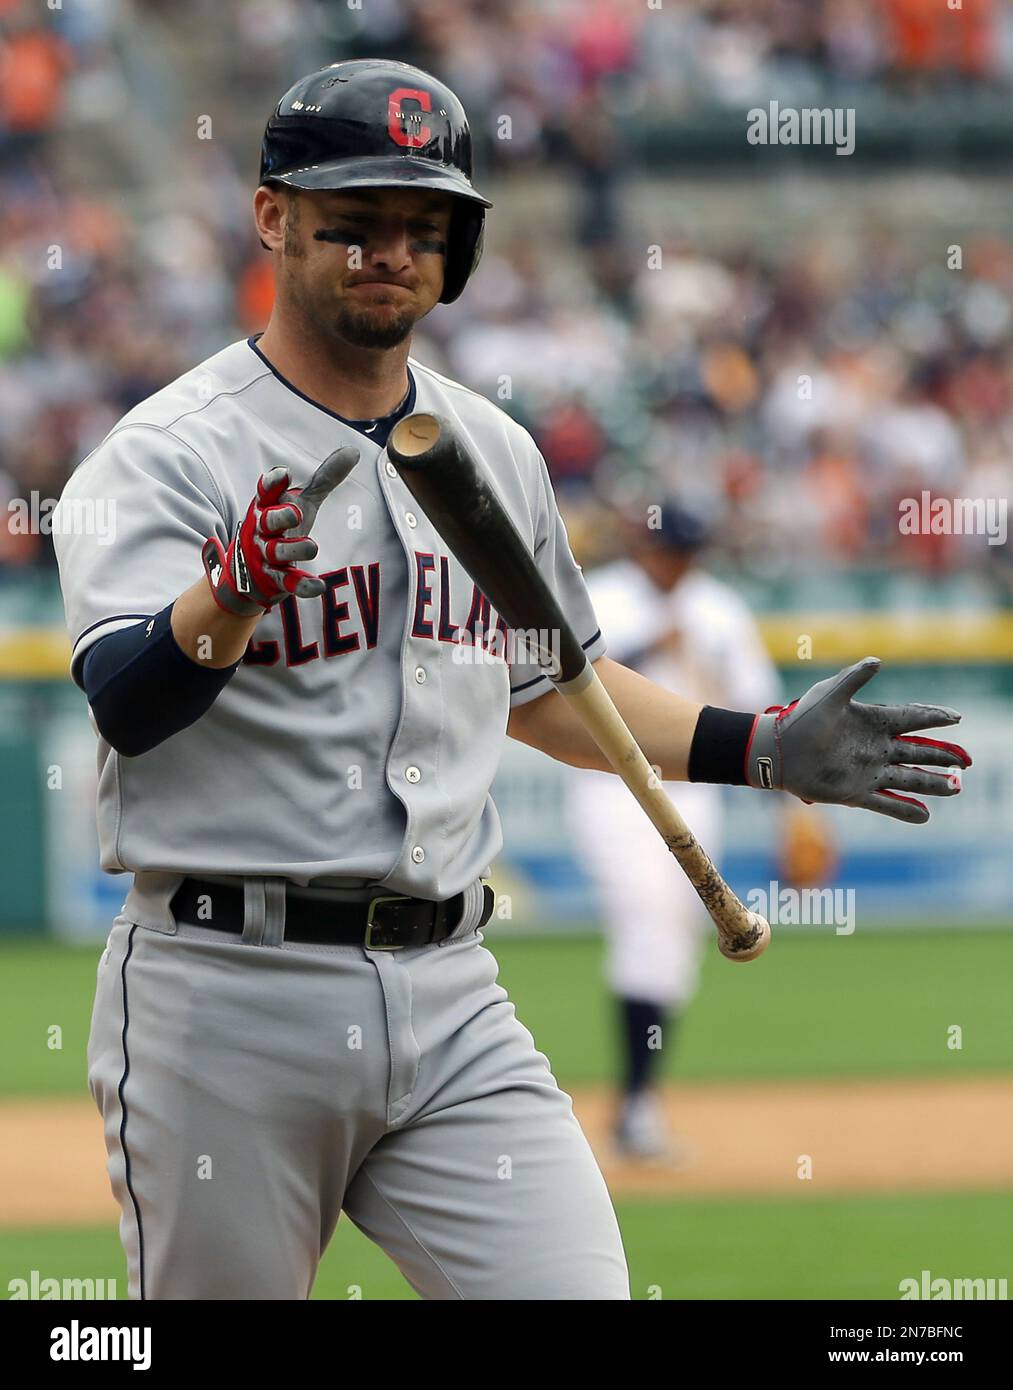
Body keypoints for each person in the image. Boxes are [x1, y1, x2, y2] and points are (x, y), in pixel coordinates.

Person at [53, 59, 970, 1301]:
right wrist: (231, 592)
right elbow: (128, 698)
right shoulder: (166, 452)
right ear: (272, 217)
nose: (392, 253)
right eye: (356, 223)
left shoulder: (490, 449)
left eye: (423, 228)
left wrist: (752, 746)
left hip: (449, 993)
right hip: (227, 992)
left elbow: (551, 689)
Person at [568, 504, 833, 1160]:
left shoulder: (717, 611)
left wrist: (795, 814)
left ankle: (638, 1104)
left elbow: (763, 716)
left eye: (687, 551)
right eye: (668, 550)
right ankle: (634, 1108)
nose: (677, 562)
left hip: (694, 795)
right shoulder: (599, 597)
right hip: (610, 789)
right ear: (644, 546)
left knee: (673, 947)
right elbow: (559, 683)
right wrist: (645, 649)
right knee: (648, 921)